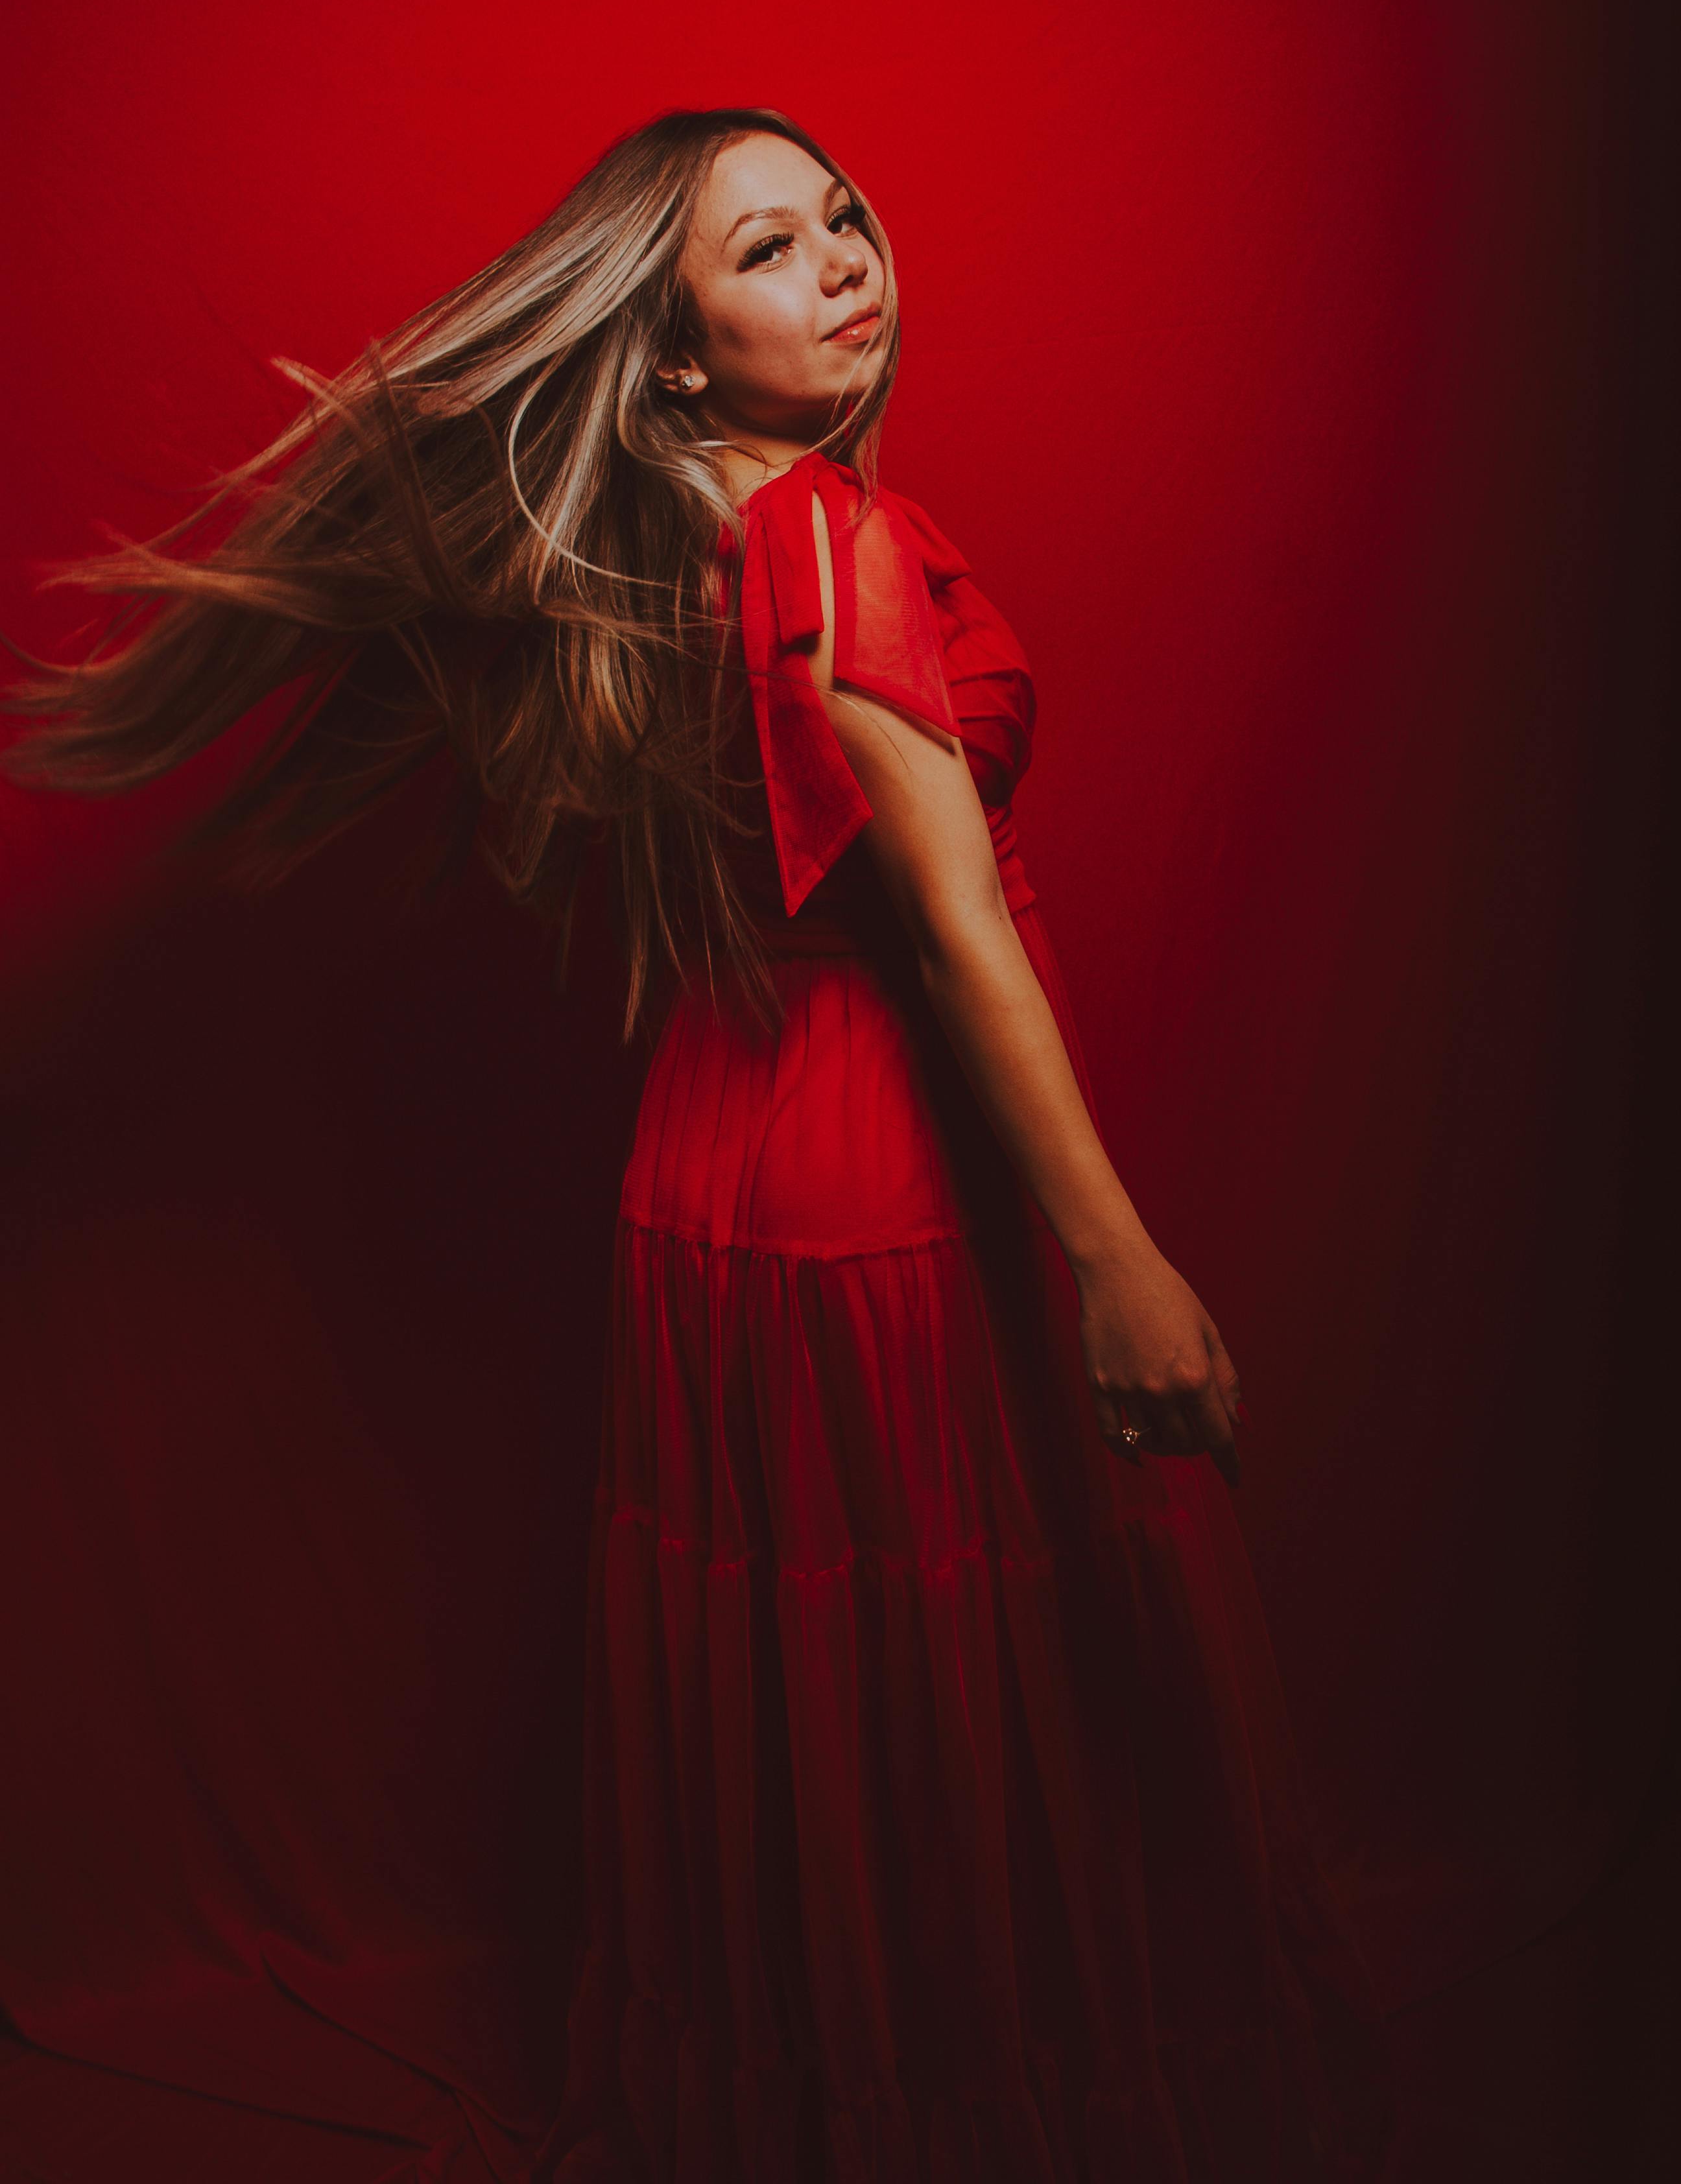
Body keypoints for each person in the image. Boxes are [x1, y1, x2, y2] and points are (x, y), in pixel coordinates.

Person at [5, 108, 1395, 2181]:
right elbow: (943, 923)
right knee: (959, 1673)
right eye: (769, 247)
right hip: (890, 1174)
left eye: (842, 215)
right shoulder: (821, 539)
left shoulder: (705, 538)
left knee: (840, 1672)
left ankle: (845, 2102)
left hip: (722, 1165)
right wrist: (1119, 1261)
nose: (846, 258)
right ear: (665, 351)